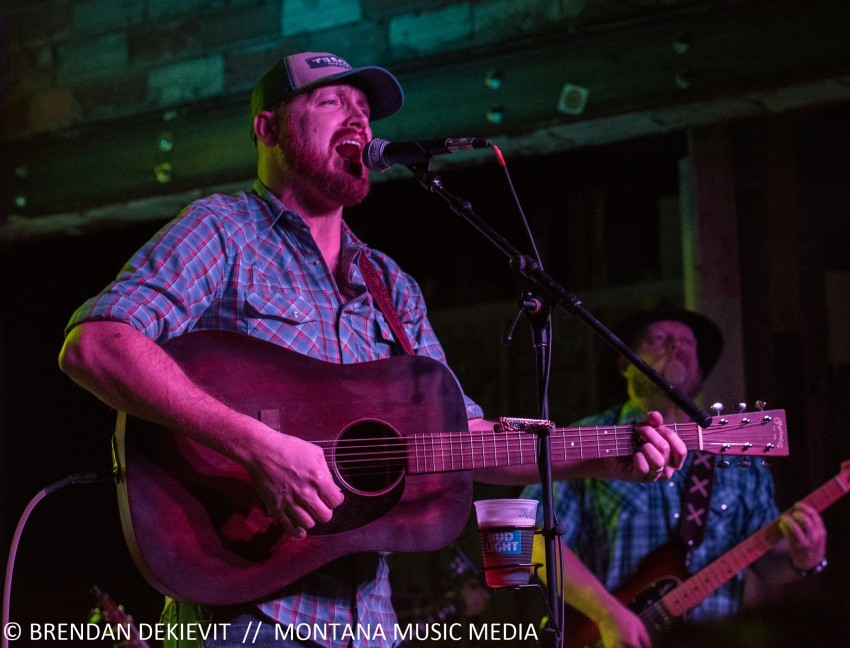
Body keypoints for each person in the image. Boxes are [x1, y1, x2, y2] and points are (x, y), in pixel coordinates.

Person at [57, 51, 686, 648]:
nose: (359, 120)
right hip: (244, 615)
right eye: (332, 102)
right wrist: (258, 447)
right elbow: (97, 344)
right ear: (267, 129)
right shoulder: (222, 232)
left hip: (370, 625)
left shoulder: (389, 283)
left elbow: (463, 437)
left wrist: (606, 458)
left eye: (364, 110)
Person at [521, 309, 828, 648]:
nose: (675, 347)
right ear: (624, 364)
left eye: (687, 342)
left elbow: (769, 565)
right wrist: (607, 613)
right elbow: (530, 536)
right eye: (659, 339)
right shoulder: (587, 438)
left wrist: (804, 558)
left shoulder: (737, 452)